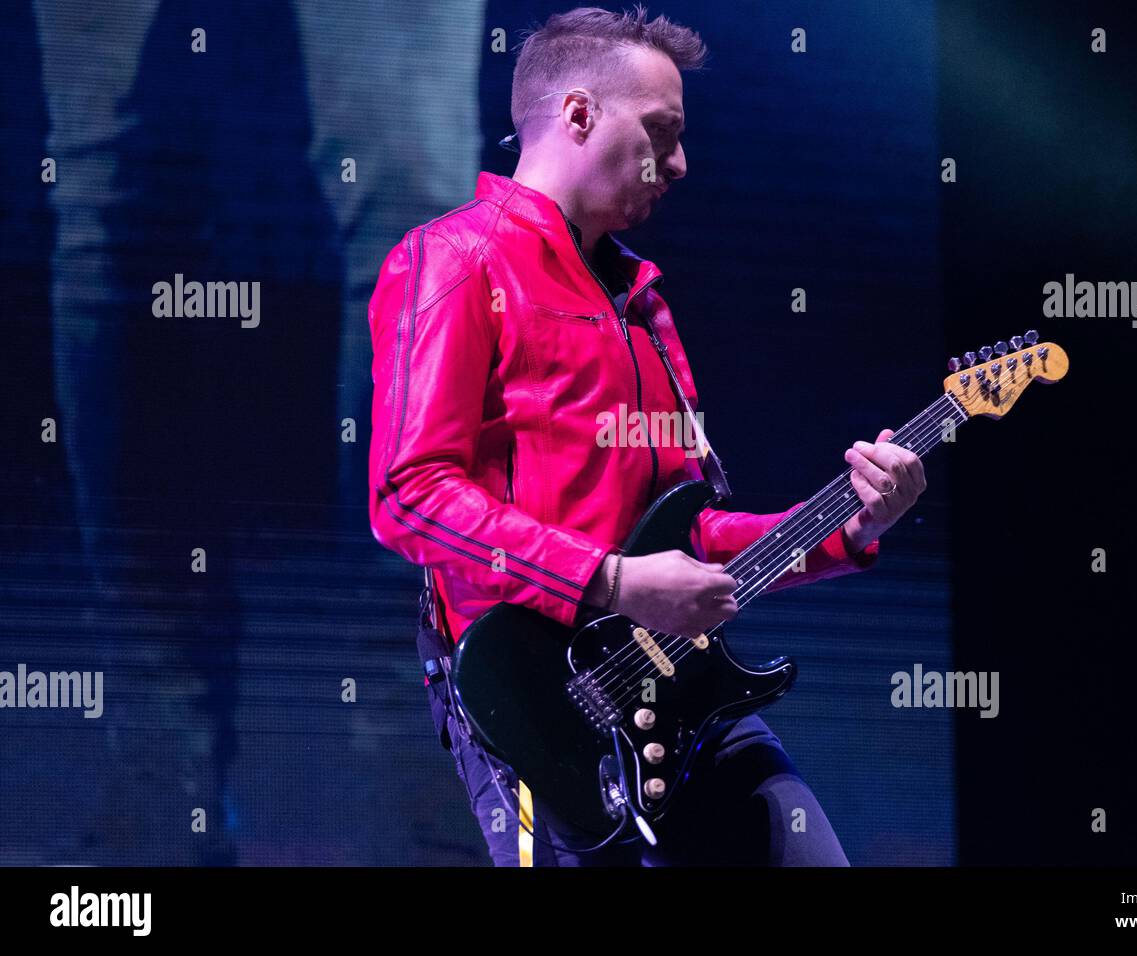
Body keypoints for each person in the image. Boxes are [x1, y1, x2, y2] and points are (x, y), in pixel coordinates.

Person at [367, 5, 926, 866]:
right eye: (661, 132)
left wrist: (853, 523)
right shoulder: (455, 260)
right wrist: (616, 581)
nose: (680, 164)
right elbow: (410, 497)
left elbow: (695, 531)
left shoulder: (644, 302)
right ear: (580, 114)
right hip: (536, 704)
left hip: (681, 691)